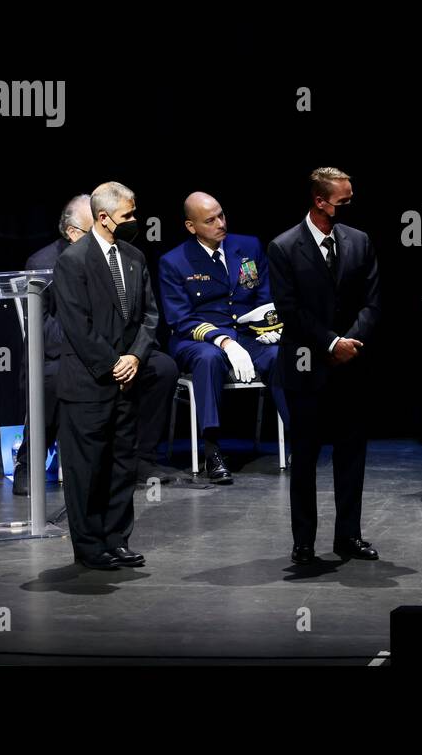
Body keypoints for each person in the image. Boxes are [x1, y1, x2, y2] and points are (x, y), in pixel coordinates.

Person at [267, 168, 381, 564]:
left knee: (351, 457)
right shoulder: (283, 247)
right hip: (306, 368)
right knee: (306, 459)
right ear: (320, 201)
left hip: (351, 366)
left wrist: (349, 341)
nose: (349, 206)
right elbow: (289, 309)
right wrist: (330, 342)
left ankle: (348, 536)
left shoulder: (360, 241)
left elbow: (371, 302)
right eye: (343, 200)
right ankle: (304, 542)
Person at [53, 182, 160, 570]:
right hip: (89, 383)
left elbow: (149, 315)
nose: (135, 221)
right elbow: (78, 326)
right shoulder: (74, 261)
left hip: (127, 380)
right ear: (103, 217)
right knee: (87, 469)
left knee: (121, 465)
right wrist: (113, 362)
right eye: (128, 216)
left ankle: (117, 539)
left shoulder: (133, 256)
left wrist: (134, 357)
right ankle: (90, 545)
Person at [158, 191, 287, 484]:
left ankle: (298, 438)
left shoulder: (248, 246)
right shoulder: (175, 261)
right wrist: (223, 341)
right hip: (197, 338)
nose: (220, 223)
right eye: (210, 220)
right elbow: (179, 318)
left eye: (221, 215)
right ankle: (212, 450)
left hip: (248, 334)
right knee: (209, 359)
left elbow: (263, 293)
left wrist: (269, 326)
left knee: (281, 356)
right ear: (191, 227)